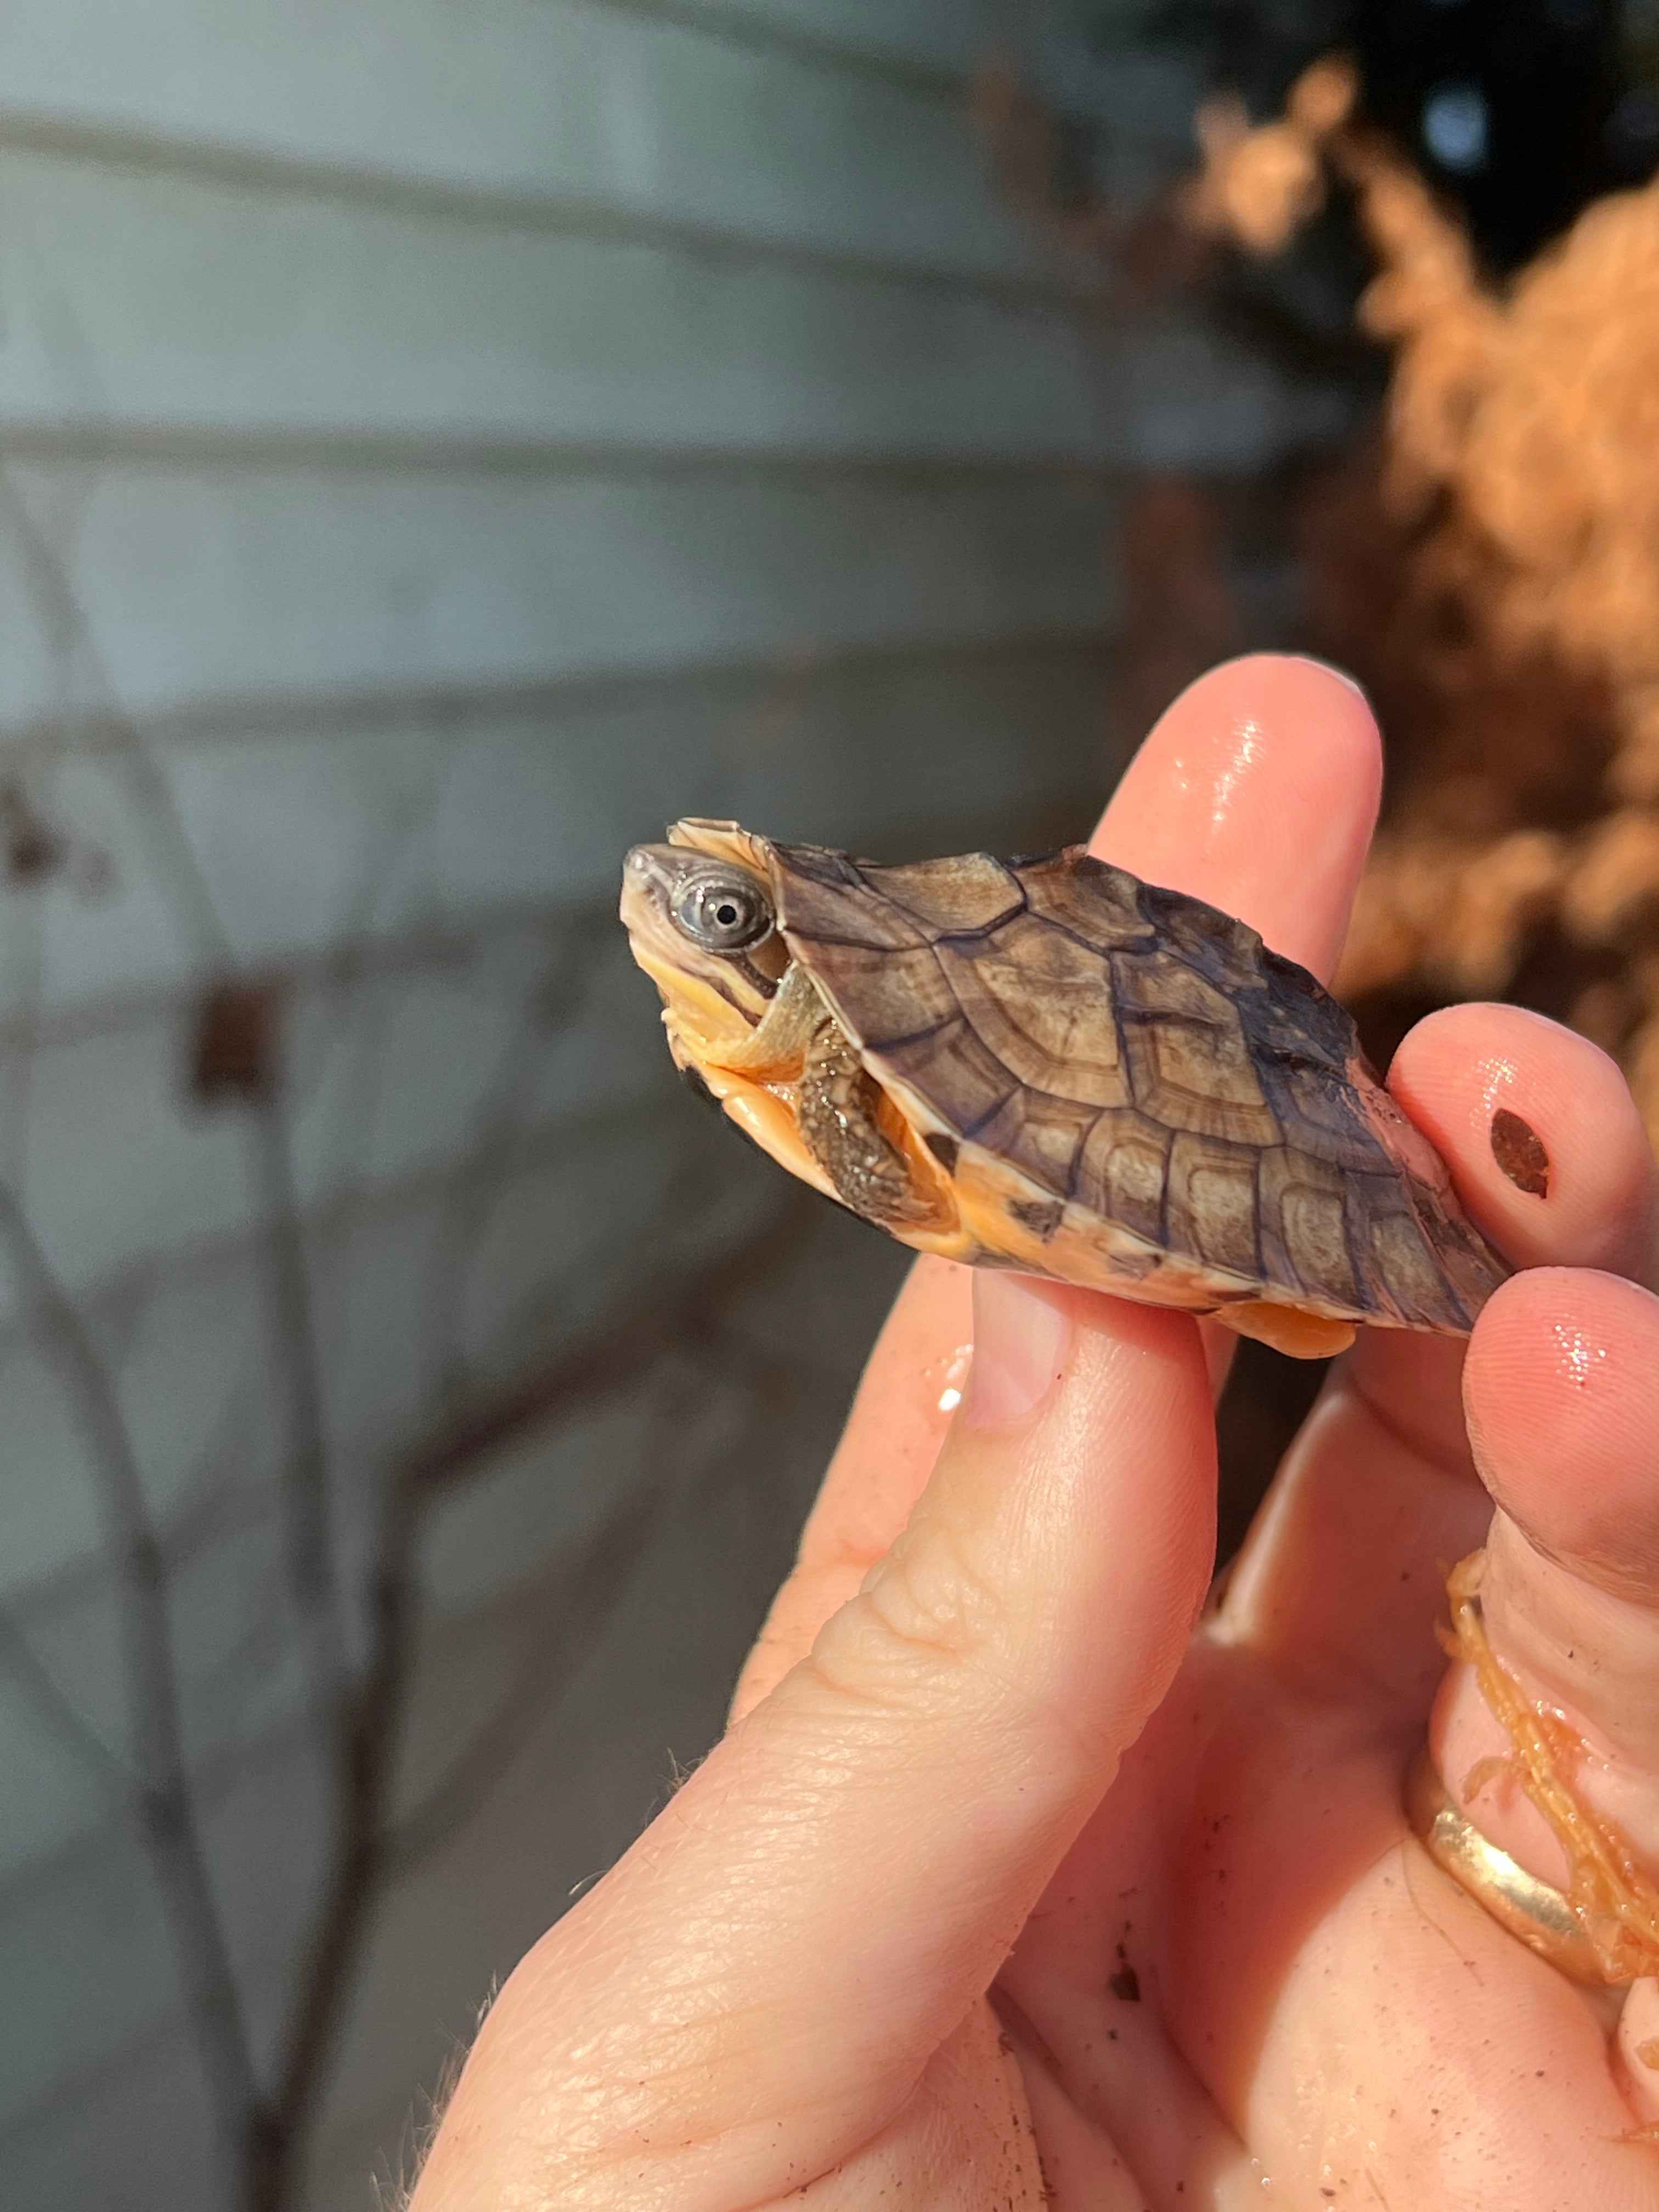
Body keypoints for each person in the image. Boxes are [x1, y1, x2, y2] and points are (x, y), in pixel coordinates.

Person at [409, 656, 1659, 2208]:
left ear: (796, 966)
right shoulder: (824, 1010)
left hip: (1234, 1134)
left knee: (1551, 1355)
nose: (668, 901)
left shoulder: (870, 1039)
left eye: (727, 918)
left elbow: (900, 1165)